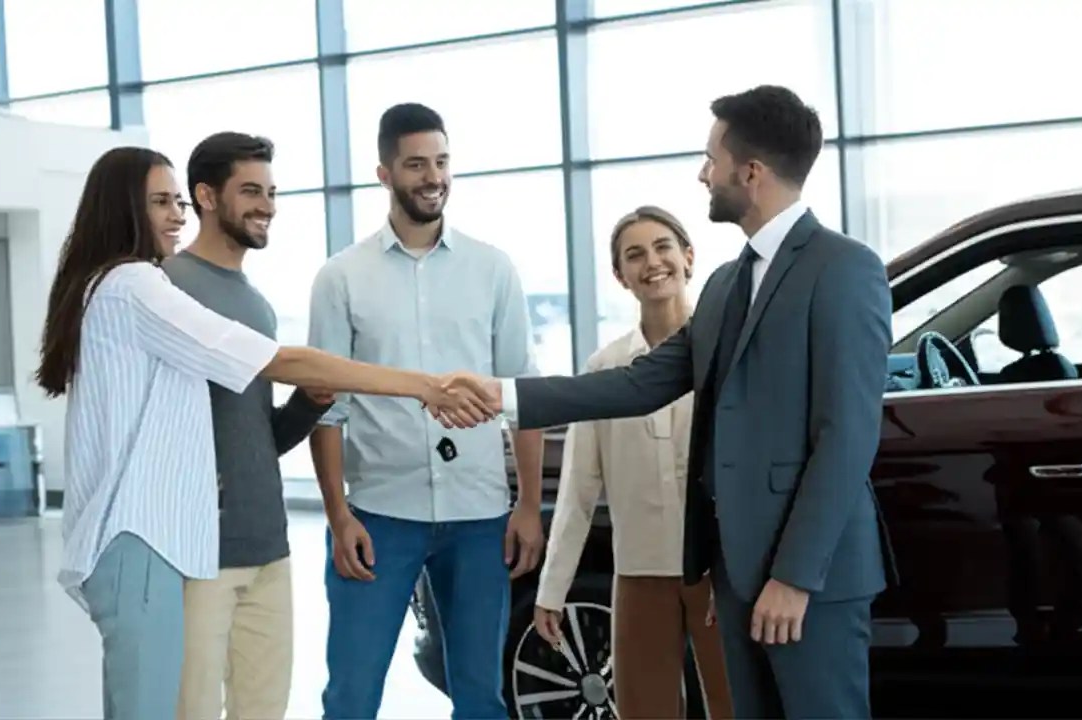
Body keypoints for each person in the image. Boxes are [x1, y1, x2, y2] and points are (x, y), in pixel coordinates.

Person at [443, 85, 895, 718]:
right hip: (735, 576)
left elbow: (846, 436)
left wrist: (794, 578)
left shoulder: (845, 268)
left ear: (751, 172)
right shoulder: (726, 283)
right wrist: (504, 395)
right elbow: (642, 381)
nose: (704, 173)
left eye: (712, 158)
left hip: (809, 580)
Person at [38, 145, 492, 720]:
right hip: (147, 539)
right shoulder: (139, 286)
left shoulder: (118, 288)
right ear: (122, 208)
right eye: (159, 202)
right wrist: (422, 385)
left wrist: (307, 401)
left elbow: (246, 425)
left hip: (172, 540)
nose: (174, 214)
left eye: (175, 200)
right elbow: (278, 361)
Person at [307, 102, 545, 719]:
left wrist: (526, 507)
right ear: (384, 173)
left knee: (479, 696)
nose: (432, 176)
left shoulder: (493, 269)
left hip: (479, 512)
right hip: (380, 515)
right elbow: (325, 408)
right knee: (351, 696)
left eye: (441, 161)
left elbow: (522, 394)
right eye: (416, 164)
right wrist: (338, 517)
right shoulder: (341, 277)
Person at [532, 206, 733, 719]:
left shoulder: (729, 354)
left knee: (736, 706)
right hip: (641, 570)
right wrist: (551, 590)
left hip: (720, 571)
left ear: (688, 257)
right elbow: (578, 488)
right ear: (621, 276)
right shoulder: (604, 370)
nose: (652, 262)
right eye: (635, 255)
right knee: (645, 711)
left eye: (663, 247)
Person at [160, 132, 322, 720]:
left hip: (268, 547)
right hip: (197, 553)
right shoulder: (166, 286)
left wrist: (309, 403)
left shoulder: (257, 304)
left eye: (272, 192)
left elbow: (259, 437)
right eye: (251, 190)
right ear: (205, 195)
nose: (268, 205)